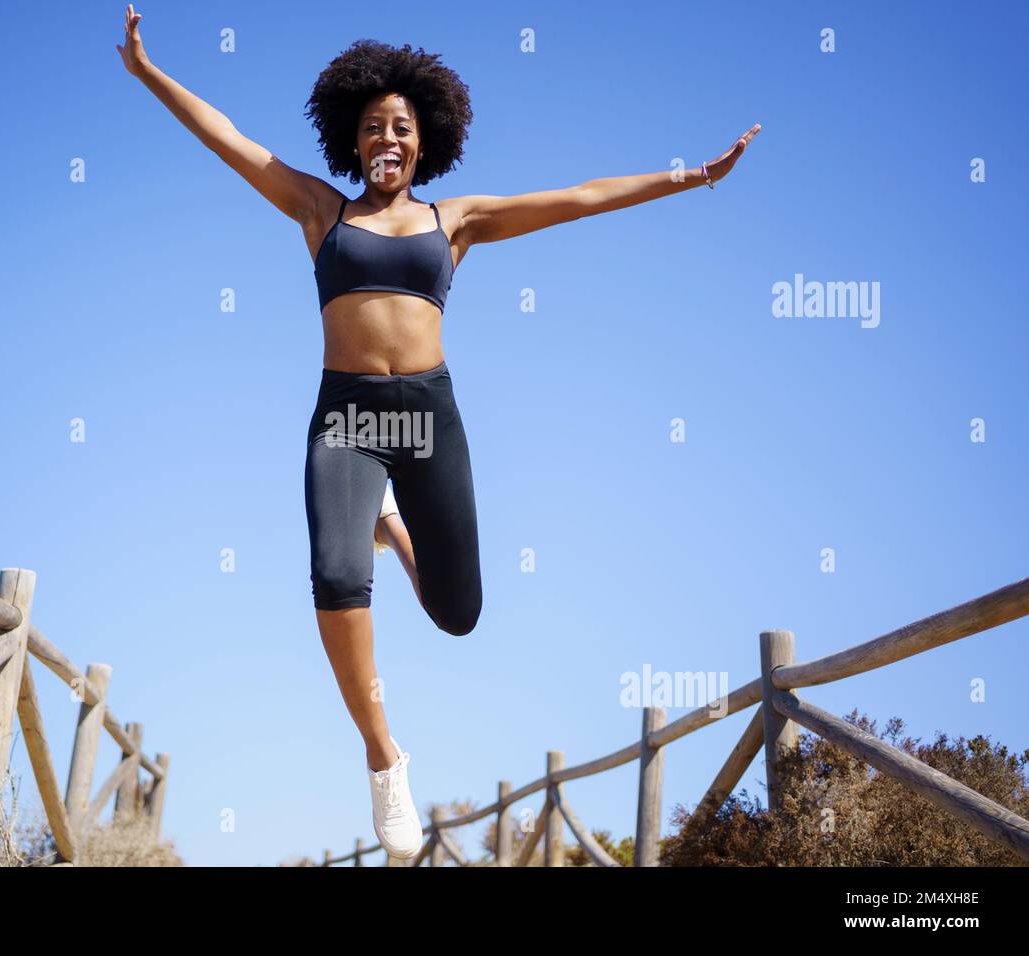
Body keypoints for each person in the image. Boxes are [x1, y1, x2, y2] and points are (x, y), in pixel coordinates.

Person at [116, 4, 760, 860]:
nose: (389, 138)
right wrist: (149, 72)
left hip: (428, 415)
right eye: (375, 127)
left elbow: (575, 199)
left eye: (403, 128)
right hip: (345, 417)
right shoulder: (319, 211)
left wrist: (690, 177)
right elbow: (228, 137)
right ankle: (384, 757)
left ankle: (392, 526)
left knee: (458, 615)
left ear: (425, 143)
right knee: (336, 576)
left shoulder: (457, 221)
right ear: (355, 140)